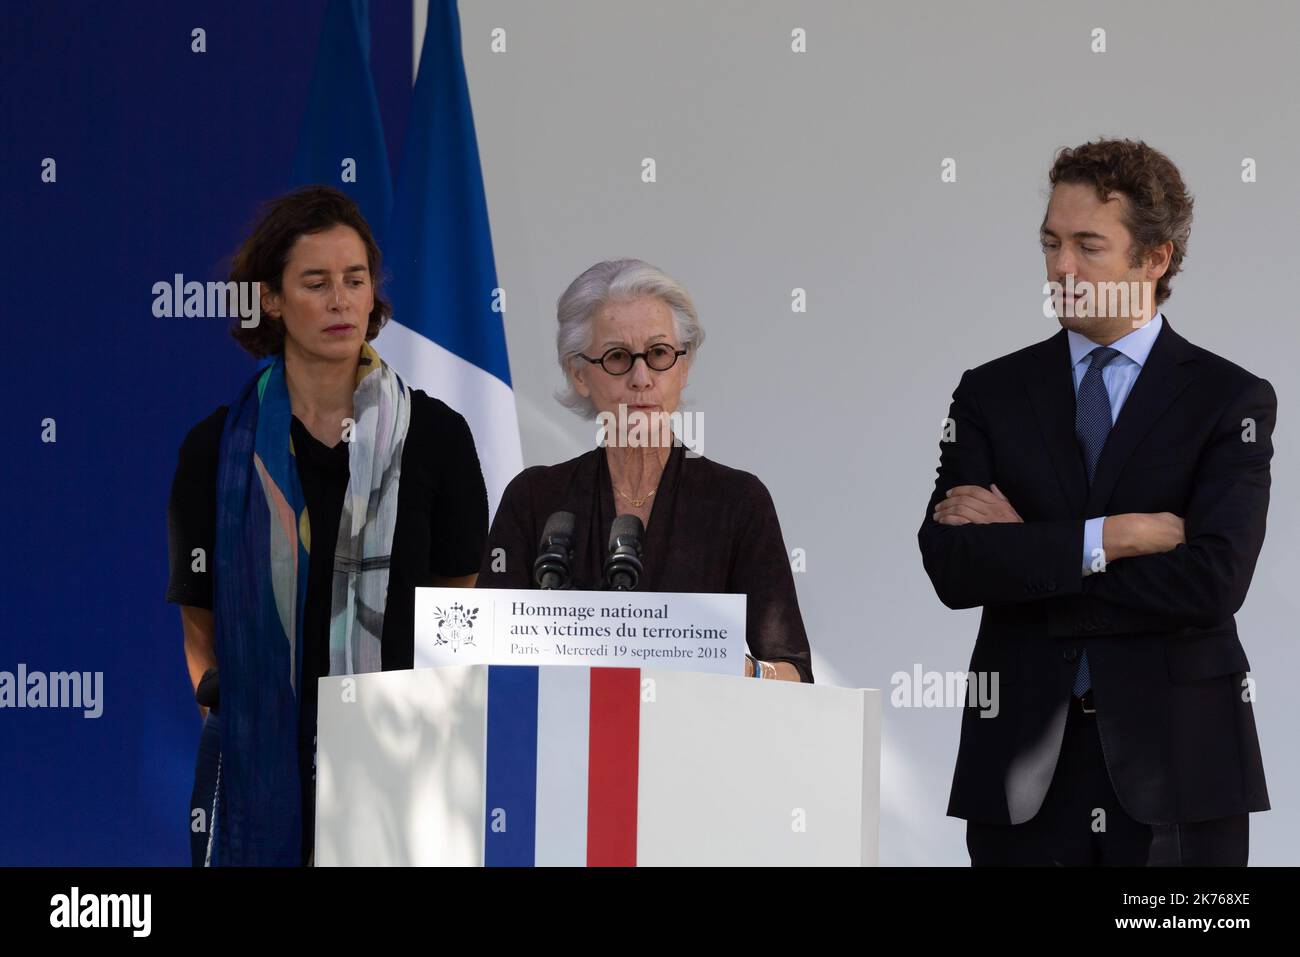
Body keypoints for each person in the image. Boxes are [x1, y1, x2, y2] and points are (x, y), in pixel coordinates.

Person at [919, 139, 1272, 865]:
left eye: (1088, 245)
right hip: (1021, 777)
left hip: (1181, 773)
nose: (1060, 268)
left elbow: (1212, 581)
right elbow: (954, 565)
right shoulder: (990, 393)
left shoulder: (1229, 399)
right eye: (1050, 242)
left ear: (1155, 259)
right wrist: (1109, 537)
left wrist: (1033, 550)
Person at [166, 186, 488, 865]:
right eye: (316, 282)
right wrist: (248, 730)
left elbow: (460, 600)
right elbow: (200, 622)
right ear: (273, 300)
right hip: (259, 766)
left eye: (355, 279)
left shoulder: (438, 436)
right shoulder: (214, 448)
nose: (341, 300)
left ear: (374, 295)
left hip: (405, 763)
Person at [477, 259, 812, 682]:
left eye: (658, 354)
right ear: (579, 374)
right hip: (563, 741)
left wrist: (740, 670)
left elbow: (795, 673)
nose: (641, 378)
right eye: (618, 357)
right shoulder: (534, 498)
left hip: (693, 740)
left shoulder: (737, 501)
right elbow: (481, 656)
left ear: (683, 367)